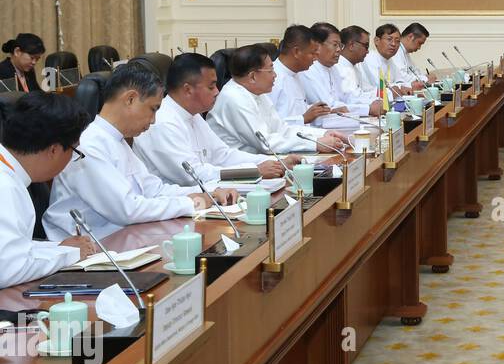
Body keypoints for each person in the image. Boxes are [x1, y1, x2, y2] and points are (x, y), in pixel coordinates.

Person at [44, 65, 238, 242]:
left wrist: (209, 194)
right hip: (92, 251)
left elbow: (154, 190)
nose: (153, 120)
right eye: (152, 109)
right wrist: (192, 202)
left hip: (124, 238)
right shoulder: (90, 144)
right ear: (130, 99)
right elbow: (128, 209)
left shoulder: (117, 140)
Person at [133, 53, 287, 186]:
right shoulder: (163, 122)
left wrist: (276, 162)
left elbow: (223, 155)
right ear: (188, 89)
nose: (217, 92)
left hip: (204, 197)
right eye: (211, 86)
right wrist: (254, 171)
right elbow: (193, 176)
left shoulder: (193, 115)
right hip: (175, 207)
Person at [0, 92, 96, 288]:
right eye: (74, 151)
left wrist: (59, 248)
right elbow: (9, 269)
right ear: (54, 150)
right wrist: (69, 254)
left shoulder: (9, 175)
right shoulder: (5, 186)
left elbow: (14, 248)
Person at [209, 44, 348, 155]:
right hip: (241, 171)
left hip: (264, 162)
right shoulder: (234, 98)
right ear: (252, 76)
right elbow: (267, 143)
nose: (275, 75)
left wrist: (322, 134)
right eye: (270, 71)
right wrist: (316, 143)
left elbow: (281, 129)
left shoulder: (257, 93)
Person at [301, 22, 384, 123]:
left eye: (340, 45)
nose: (339, 50)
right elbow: (328, 106)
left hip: (340, 121)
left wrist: (372, 104)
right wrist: (368, 109)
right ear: (317, 46)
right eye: (335, 45)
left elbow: (348, 97)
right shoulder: (309, 70)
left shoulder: (333, 68)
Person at [270, 25, 333, 126]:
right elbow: (270, 124)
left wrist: (316, 110)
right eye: (312, 53)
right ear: (296, 52)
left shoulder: (297, 74)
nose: (315, 58)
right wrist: (303, 118)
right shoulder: (271, 77)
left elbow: (295, 110)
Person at [364, 24, 415, 94]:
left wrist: (400, 87)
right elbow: (379, 86)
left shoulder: (390, 60)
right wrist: (397, 87)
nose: (393, 44)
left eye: (397, 41)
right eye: (389, 39)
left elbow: (401, 81)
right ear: (377, 41)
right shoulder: (369, 59)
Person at [338, 25, 375, 93]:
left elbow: (367, 89)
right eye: (366, 46)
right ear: (351, 45)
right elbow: (353, 98)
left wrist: (388, 92)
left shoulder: (353, 66)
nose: (367, 51)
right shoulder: (340, 67)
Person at [394, 23, 430, 87]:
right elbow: (401, 77)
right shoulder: (395, 51)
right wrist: (425, 78)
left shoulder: (405, 52)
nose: (419, 48)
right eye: (419, 43)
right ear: (410, 37)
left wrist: (425, 77)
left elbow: (415, 72)